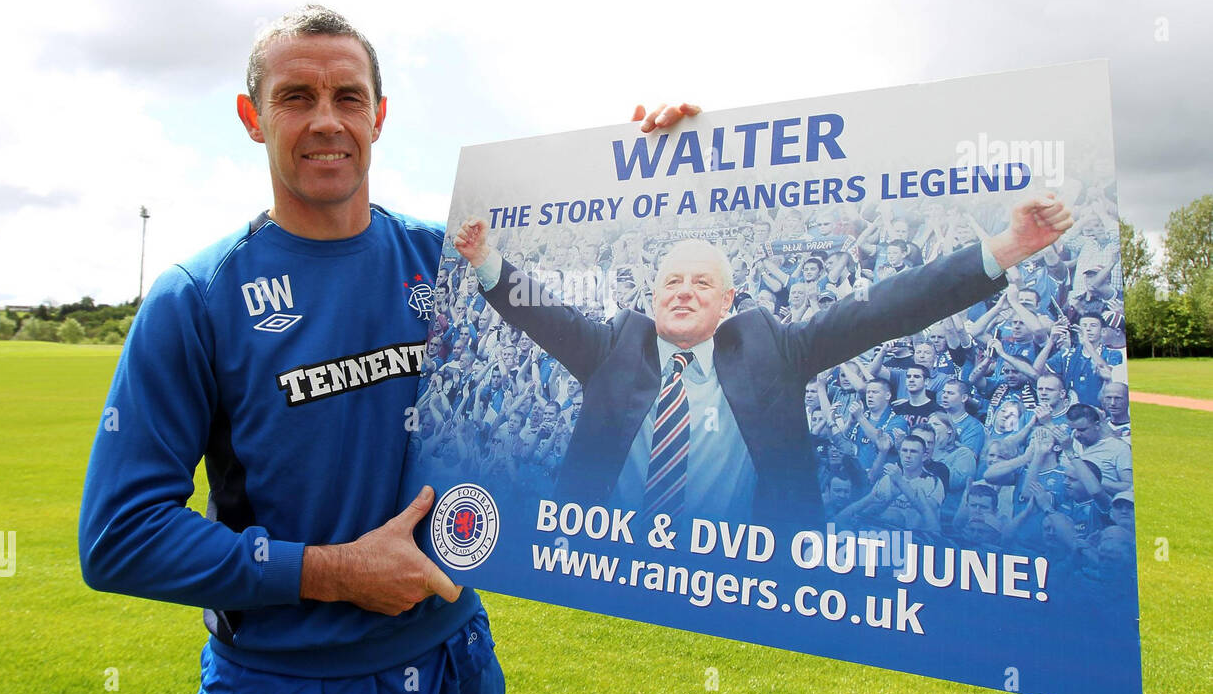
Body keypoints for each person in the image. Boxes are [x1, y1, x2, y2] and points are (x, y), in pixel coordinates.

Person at [78, 3, 696, 694]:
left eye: (348, 97)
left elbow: (591, 316)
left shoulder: (447, 263)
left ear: (379, 116)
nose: (326, 121)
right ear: (252, 116)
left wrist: (657, 180)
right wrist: (332, 571)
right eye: (296, 97)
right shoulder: (197, 299)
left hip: (452, 671)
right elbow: (120, 535)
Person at [451, 195, 1074, 527]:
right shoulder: (615, 347)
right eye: (671, 282)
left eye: (701, 283)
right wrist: (484, 262)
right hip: (608, 564)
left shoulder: (772, 350)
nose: (684, 292)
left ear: (728, 301)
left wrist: (1007, 246)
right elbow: (544, 312)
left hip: (733, 579)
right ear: (651, 295)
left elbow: (885, 308)